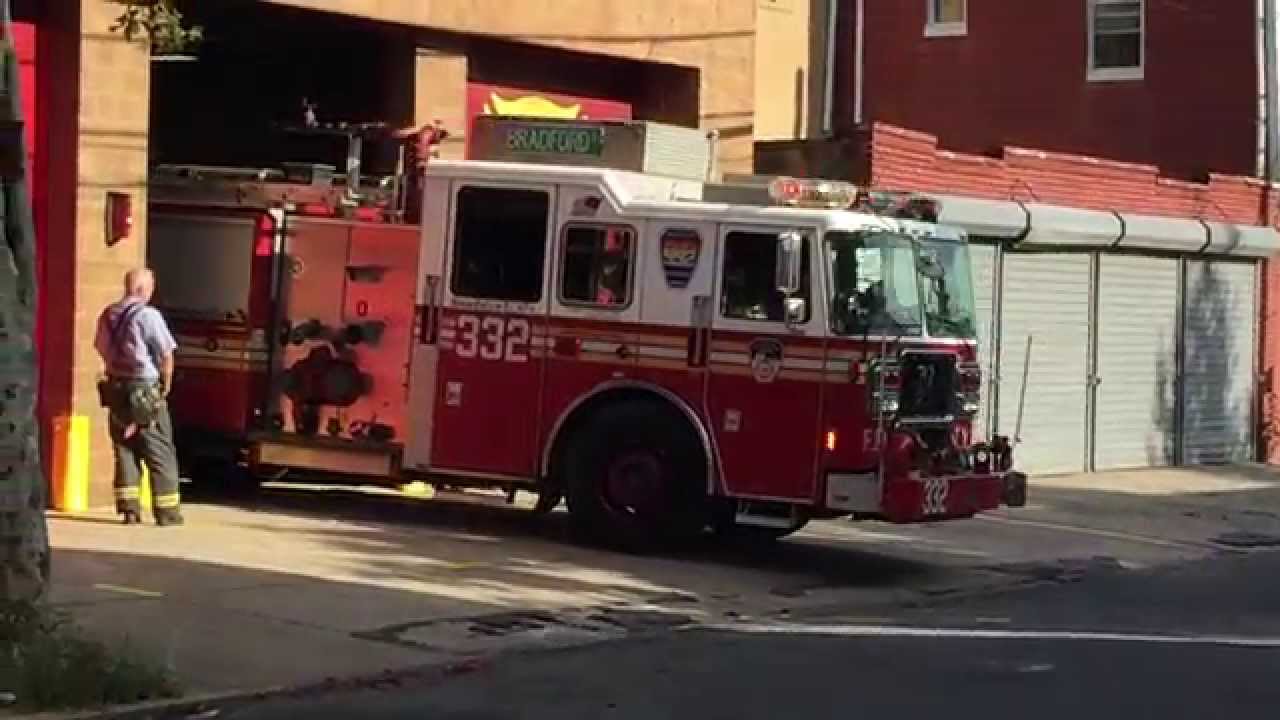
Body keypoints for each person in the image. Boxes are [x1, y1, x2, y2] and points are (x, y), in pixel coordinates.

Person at [93, 268, 184, 526]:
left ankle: (129, 509)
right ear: (143, 289)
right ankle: (167, 511)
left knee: (124, 446)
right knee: (159, 448)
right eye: (151, 287)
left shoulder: (109, 314)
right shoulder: (148, 315)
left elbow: (100, 347)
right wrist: (165, 385)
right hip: (144, 387)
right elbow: (166, 354)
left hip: (116, 388)